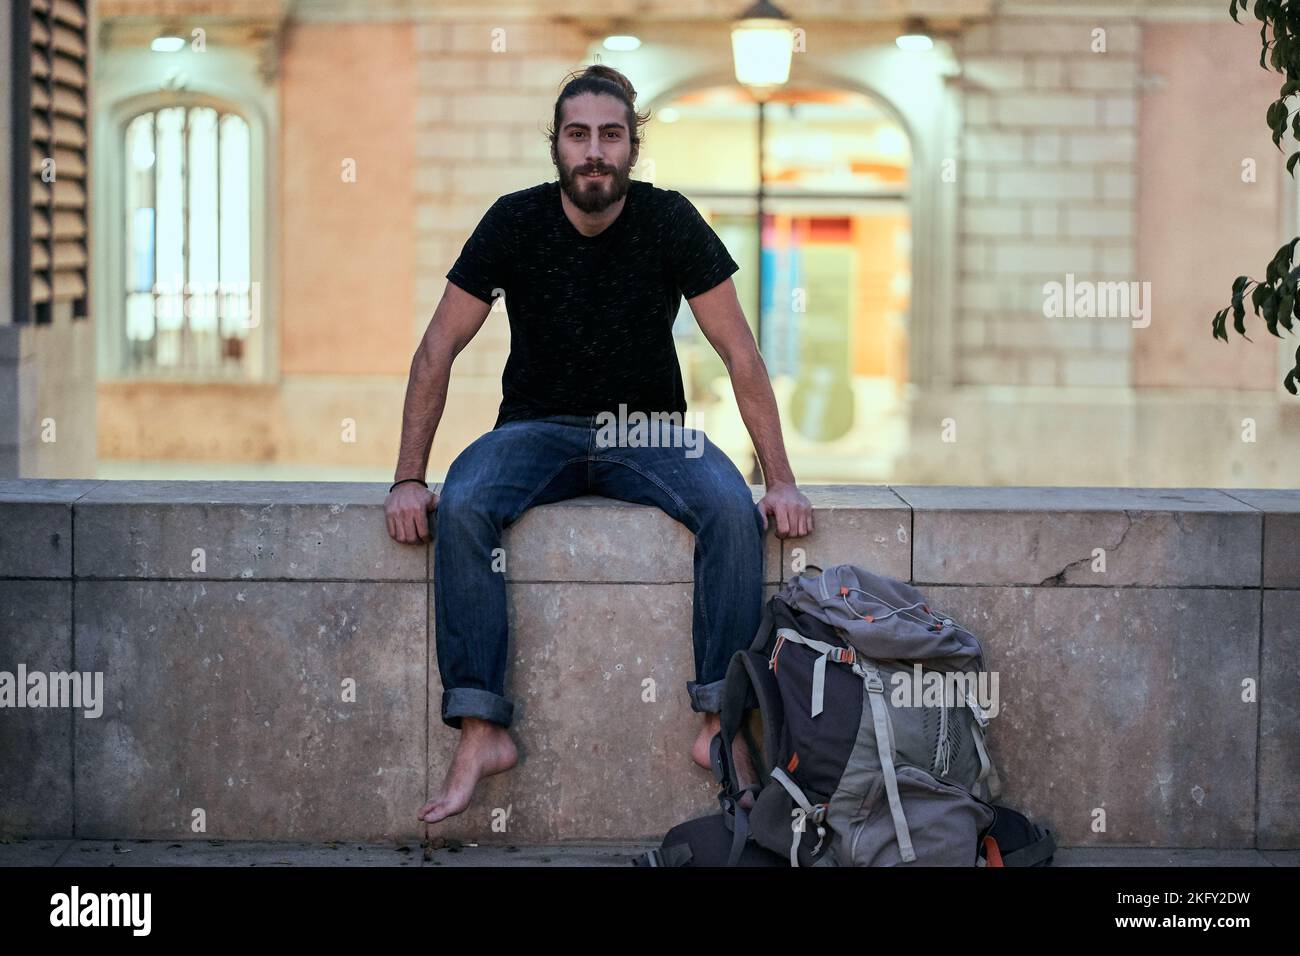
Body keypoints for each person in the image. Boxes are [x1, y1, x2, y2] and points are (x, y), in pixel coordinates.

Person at [385, 65, 813, 825]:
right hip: (533, 431)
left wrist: (779, 478)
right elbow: (435, 350)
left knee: (726, 504)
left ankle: (718, 722)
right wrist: (406, 478)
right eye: (578, 135)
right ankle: (483, 730)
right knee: (467, 499)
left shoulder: (669, 220)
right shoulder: (513, 222)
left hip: (648, 433)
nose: (593, 152)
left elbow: (740, 352)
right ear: (555, 145)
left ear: (632, 146)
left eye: (609, 135)